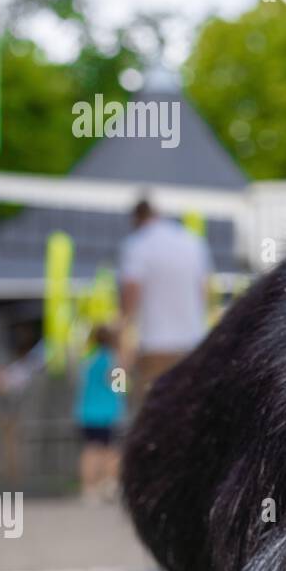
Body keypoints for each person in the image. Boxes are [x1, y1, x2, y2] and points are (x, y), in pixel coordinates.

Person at [119, 199, 212, 412]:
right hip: (192, 342)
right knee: (185, 411)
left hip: (154, 344)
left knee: (151, 414)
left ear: (136, 219)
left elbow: (131, 292)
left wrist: (124, 329)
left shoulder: (137, 245)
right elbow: (204, 290)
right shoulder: (193, 242)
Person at [76, 324, 124, 500]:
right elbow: (119, 386)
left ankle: (88, 488)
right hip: (107, 411)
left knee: (90, 450)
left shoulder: (87, 358)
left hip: (86, 411)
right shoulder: (113, 359)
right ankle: (108, 484)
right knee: (110, 451)